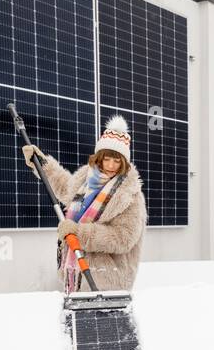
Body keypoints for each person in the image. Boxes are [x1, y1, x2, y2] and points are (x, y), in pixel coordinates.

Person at [22, 115, 146, 293]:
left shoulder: (131, 195)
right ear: (99, 158)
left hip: (108, 282)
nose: (111, 165)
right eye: (107, 159)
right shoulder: (88, 180)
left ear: (124, 163)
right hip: (77, 276)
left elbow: (123, 238)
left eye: (117, 160)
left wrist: (79, 233)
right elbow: (66, 188)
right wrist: (43, 165)